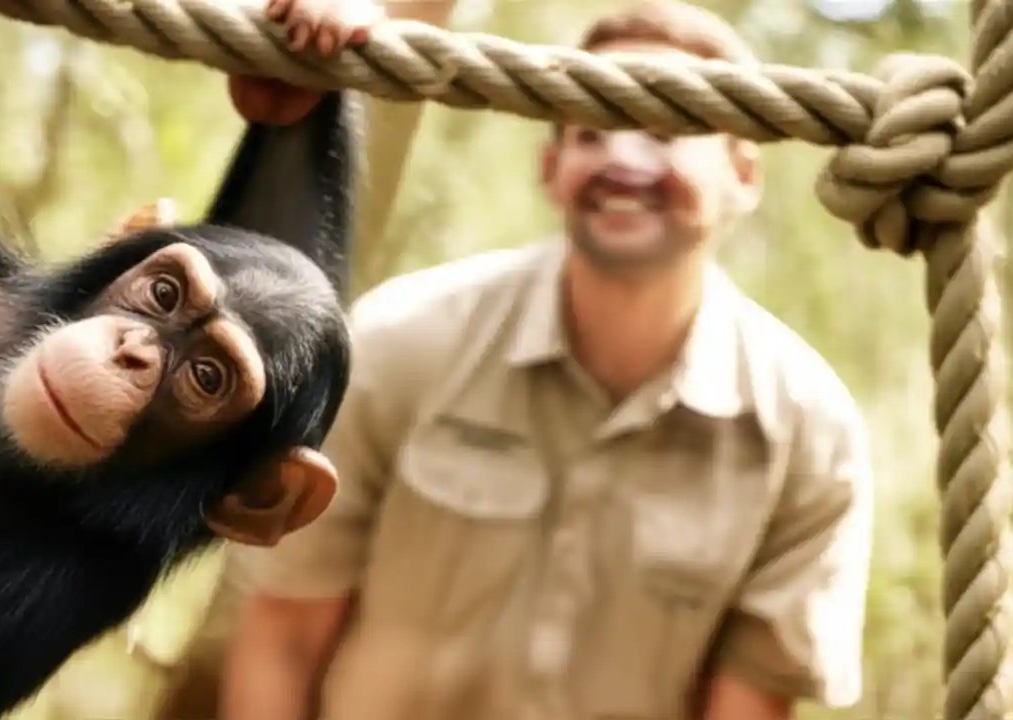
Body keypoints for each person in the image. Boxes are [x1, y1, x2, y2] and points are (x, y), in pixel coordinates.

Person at [223, 1, 876, 719]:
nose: (624, 161)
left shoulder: (808, 429)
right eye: (593, 132)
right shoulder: (403, 340)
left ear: (744, 174)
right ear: (552, 165)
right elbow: (284, 636)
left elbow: (749, 704)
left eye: (666, 132)